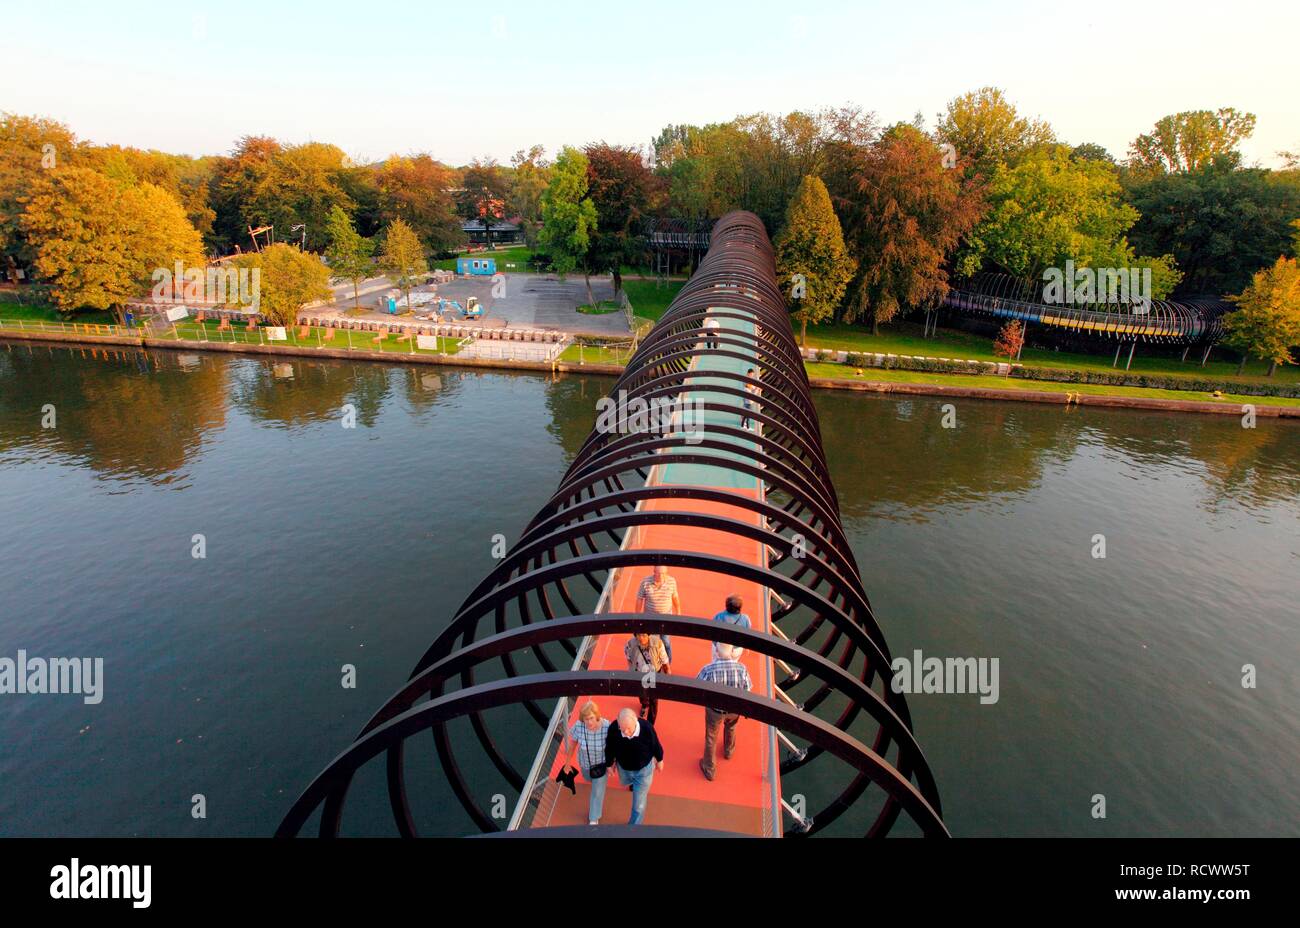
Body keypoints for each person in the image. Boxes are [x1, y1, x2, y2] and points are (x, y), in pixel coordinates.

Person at [696, 643, 752, 781]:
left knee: (711, 737)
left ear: (717, 652)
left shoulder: (708, 669)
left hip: (714, 710)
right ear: (732, 652)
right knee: (731, 727)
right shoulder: (742, 668)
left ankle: (709, 768)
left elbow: (697, 688)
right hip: (734, 709)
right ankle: (728, 751)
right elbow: (747, 689)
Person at [605, 707, 664, 825]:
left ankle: (633, 828)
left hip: (644, 771)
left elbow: (655, 744)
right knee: (627, 782)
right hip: (624, 768)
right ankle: (632, 784)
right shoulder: (614, 728)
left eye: (629, 728)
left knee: (638, 805)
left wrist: (660, 759)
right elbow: (610, 747)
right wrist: (609, 764)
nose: (626, 732)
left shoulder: (647, 728)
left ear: (635, 721)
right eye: (622, 728)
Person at [560, 700, 611, 825]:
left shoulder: (607, 726)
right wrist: (567, 764)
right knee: (588, 778)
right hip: (585, 763)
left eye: (591, 718)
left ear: (597, 715)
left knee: (597, 791)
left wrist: (611, 764)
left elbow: (613, 746)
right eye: (586, 719)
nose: (589, 722)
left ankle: (593, 818)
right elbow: (572, 745)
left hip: (601, 764)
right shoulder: (579, 726)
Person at [636, 565, 681, 663]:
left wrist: (678, 611)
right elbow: (639, 599)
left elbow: (675, 597)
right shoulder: (645, 582)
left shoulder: (671, 581)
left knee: (666, 642)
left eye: (664, 574)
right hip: (650, 619)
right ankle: (655, 663)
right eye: (659, 574)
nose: (661, 576)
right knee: (653, 643)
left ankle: (668, 662)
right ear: (654, 572)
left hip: (666, 619)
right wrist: (637, 616)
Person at [624, 631, 670, 724]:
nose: (641, 638)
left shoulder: (658, 643)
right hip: (639, 672)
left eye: (644, 635)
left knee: (654, 699)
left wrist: (667, 676)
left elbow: (665, 662)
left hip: (654, 673)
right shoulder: (630, 644)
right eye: (639, 635)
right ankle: (644, 705)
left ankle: (650, 723)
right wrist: (631, 671)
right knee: (641, 693)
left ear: (648, 635)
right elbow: (629, 659)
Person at [711, 594, 751, 659]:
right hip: (736, 650)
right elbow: (747, 636)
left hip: (721, 648)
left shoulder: (718, 616)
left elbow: (712, 633)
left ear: (726, 605)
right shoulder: (745, 618)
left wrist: (716, 646)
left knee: (715, 662)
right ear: (740, 607)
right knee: (734, 663)